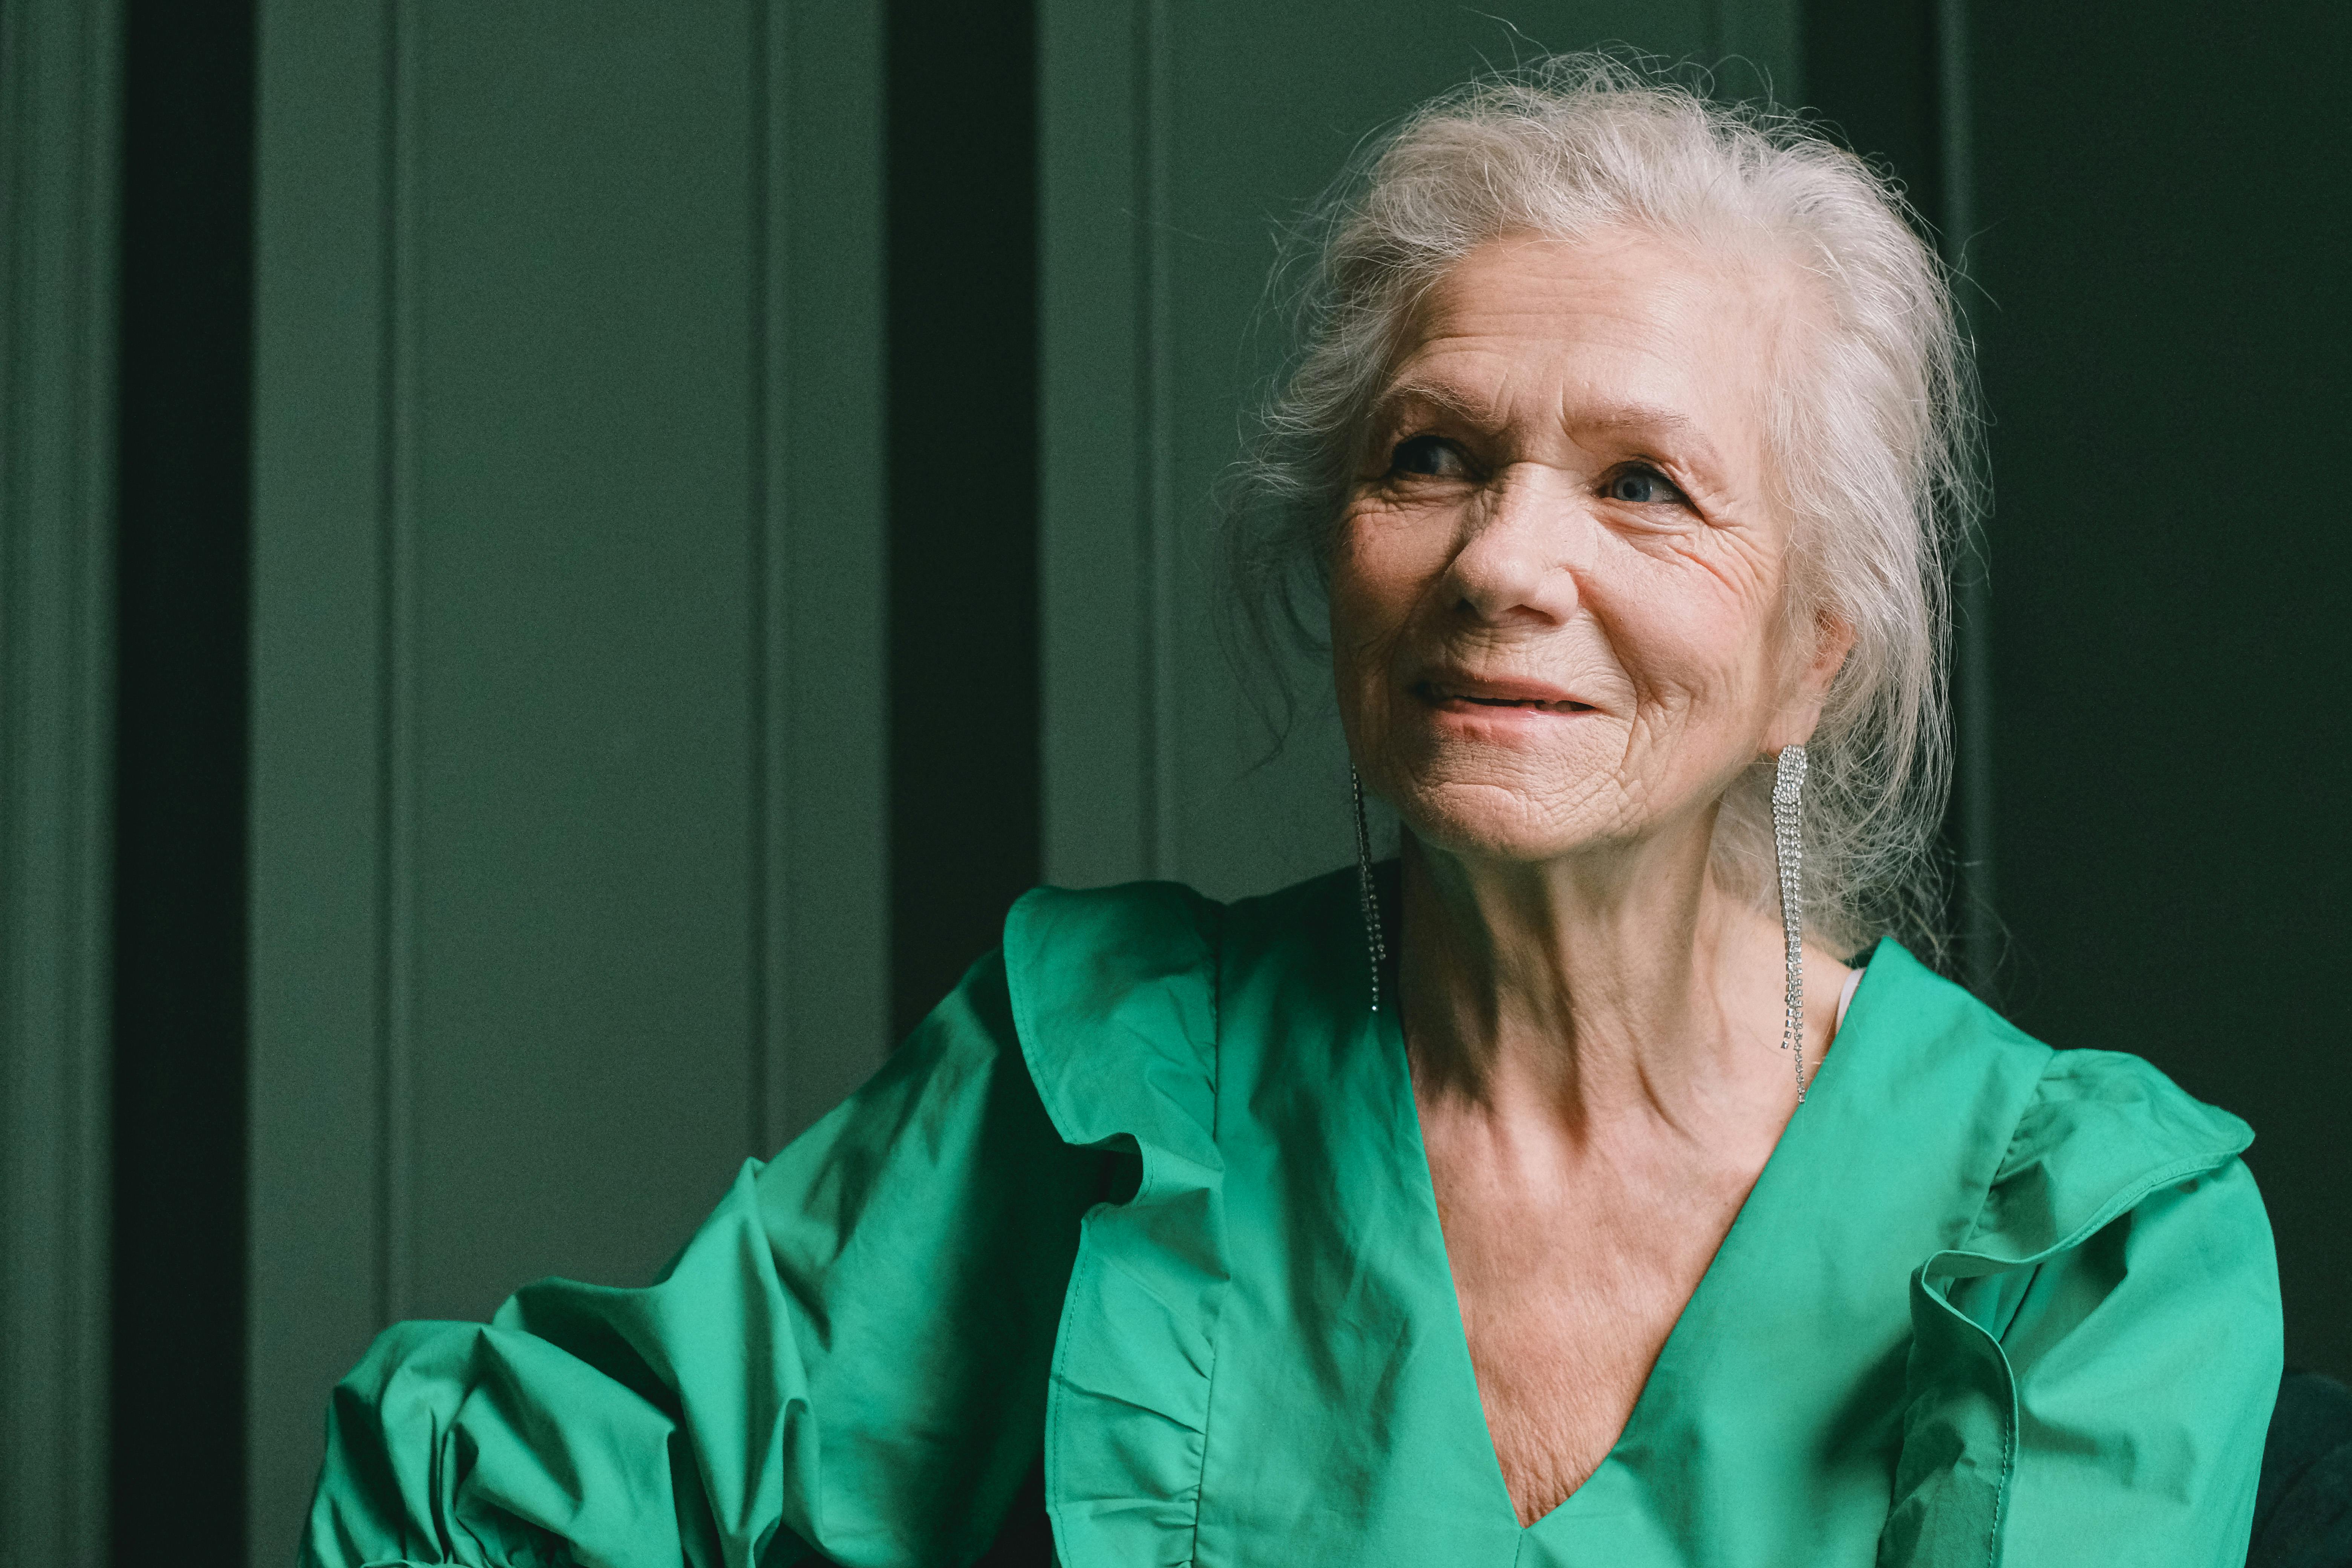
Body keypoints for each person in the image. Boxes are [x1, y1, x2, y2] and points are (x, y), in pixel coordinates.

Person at [300, 55, 2281, 1568]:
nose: (1503, 560)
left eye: (1644, 486)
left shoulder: (2100, 1238)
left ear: (1814, 656)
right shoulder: (1096, 1068)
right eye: (1432, 456)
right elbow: (489, 1498)